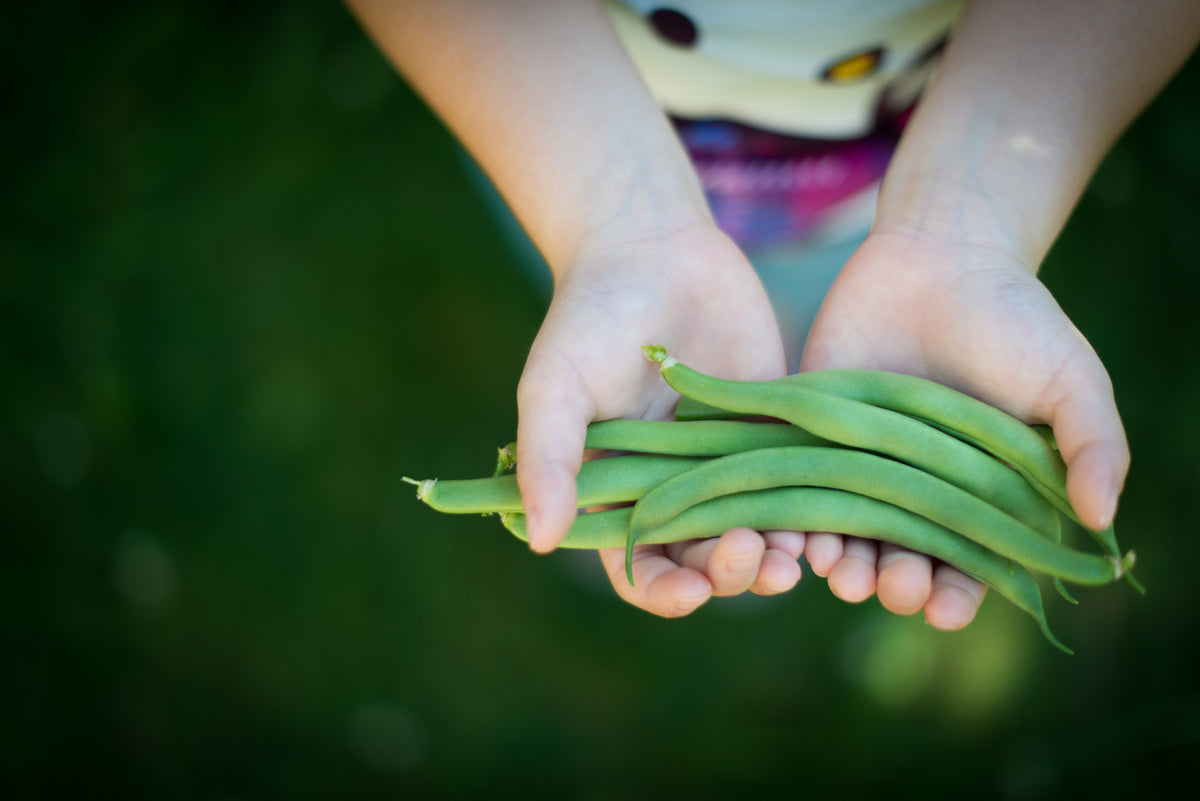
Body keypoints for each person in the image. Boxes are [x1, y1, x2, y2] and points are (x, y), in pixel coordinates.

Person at [347, 0, 1200, 627]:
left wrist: (965, 221)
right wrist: (614, 221)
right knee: (648, 352)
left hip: (885, 182)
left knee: (783, 357)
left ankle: (698, 497)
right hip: (561, 136)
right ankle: (676, 492)